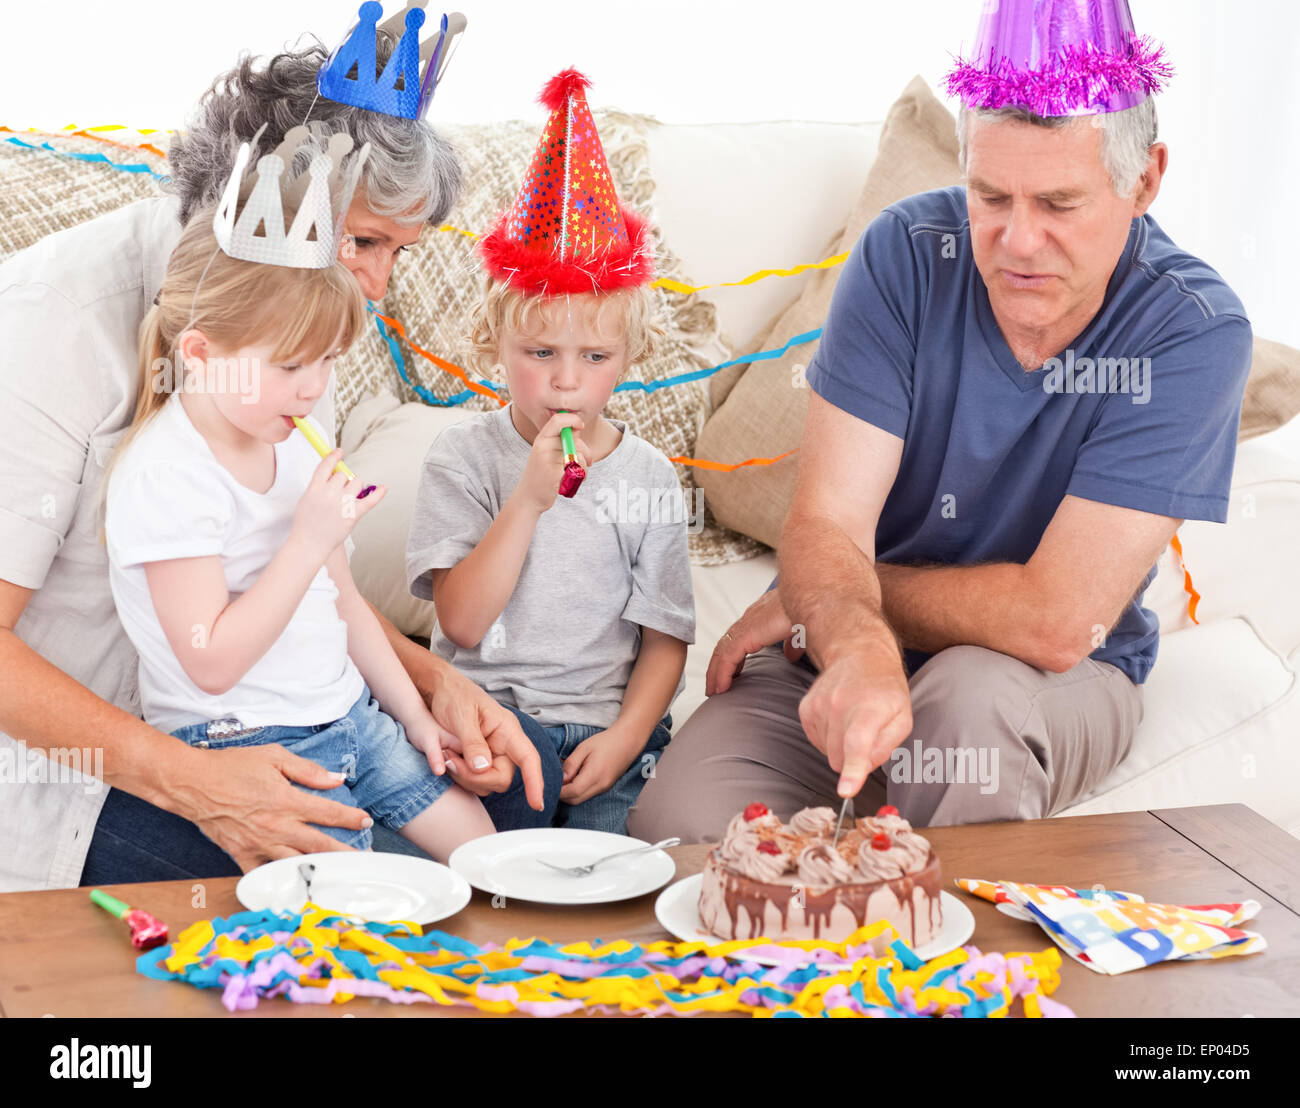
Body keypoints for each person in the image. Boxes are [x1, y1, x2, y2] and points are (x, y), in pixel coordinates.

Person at [628, 1, 1254, 842]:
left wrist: (839, 602)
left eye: (1059, 204)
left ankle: (939, 972)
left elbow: (1056, 622)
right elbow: (825, 524)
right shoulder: (904, 256)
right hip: (843, 645)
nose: (1018, 241)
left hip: (1039, 676)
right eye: (991, 195)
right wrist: (850, 639)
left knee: (971, 707)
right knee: (689, 834)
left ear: (1144, 180)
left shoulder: (1195, 331)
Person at [0, 36, 540, 892]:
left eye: (397, 254)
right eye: (364, 242)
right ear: (263, 205)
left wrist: (431, 683)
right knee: (407, 891)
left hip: (285, 710)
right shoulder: (52, 323)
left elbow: (302, 576)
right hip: (86, 766)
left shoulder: (296, 334)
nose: (375, 287)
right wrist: (203, 788)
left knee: (518, 812)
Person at [103, 138, 496, 859]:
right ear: (198, 354)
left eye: (328, 361)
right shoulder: (169, 476)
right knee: (361, 915)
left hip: (349, 711)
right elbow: (211, 660)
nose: (314, 388)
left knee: (486, 857)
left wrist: (415, 717)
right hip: (250, 740)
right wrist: (309, 541)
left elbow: (341, 600)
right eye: (291, 365)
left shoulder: (290, 428)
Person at [405, 70, 696, 835]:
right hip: (492, 730)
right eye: (539, 352)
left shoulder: (649, 477)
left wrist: (628, 737)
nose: (566, 382)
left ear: (629, 356)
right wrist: (529, 501)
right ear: (491, 342)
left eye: (594, 359)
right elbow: (463, 624)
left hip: (608, 737)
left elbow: (666, 640)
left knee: (612, 888)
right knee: (493, 878)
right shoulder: (463, 459)